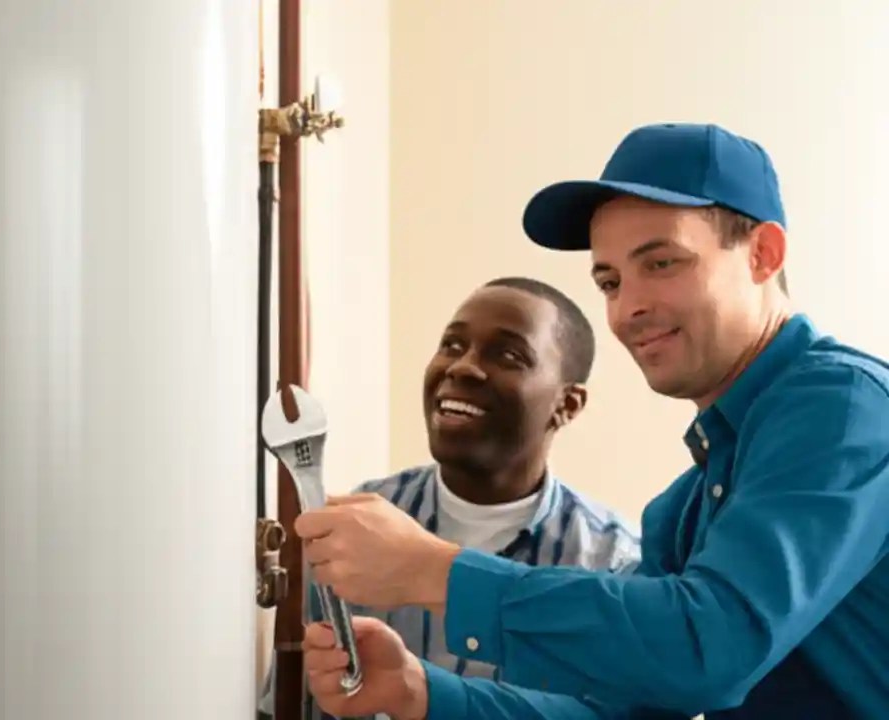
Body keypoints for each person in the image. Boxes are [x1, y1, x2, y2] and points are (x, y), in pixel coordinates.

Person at [296, 122, 889, 719]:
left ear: (763, 254)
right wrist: (420, 694)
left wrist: (435, 573)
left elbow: (710, 649)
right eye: (610, 280)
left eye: (661, 263)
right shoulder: (689, 503)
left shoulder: (842, 406)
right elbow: (629, 710)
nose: (629, 307)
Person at [260, 277, 641, 720]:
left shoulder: (615, 563)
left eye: (509, 355)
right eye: (452, 345)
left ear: (567, 405)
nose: (462, 367)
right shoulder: (352, 528)